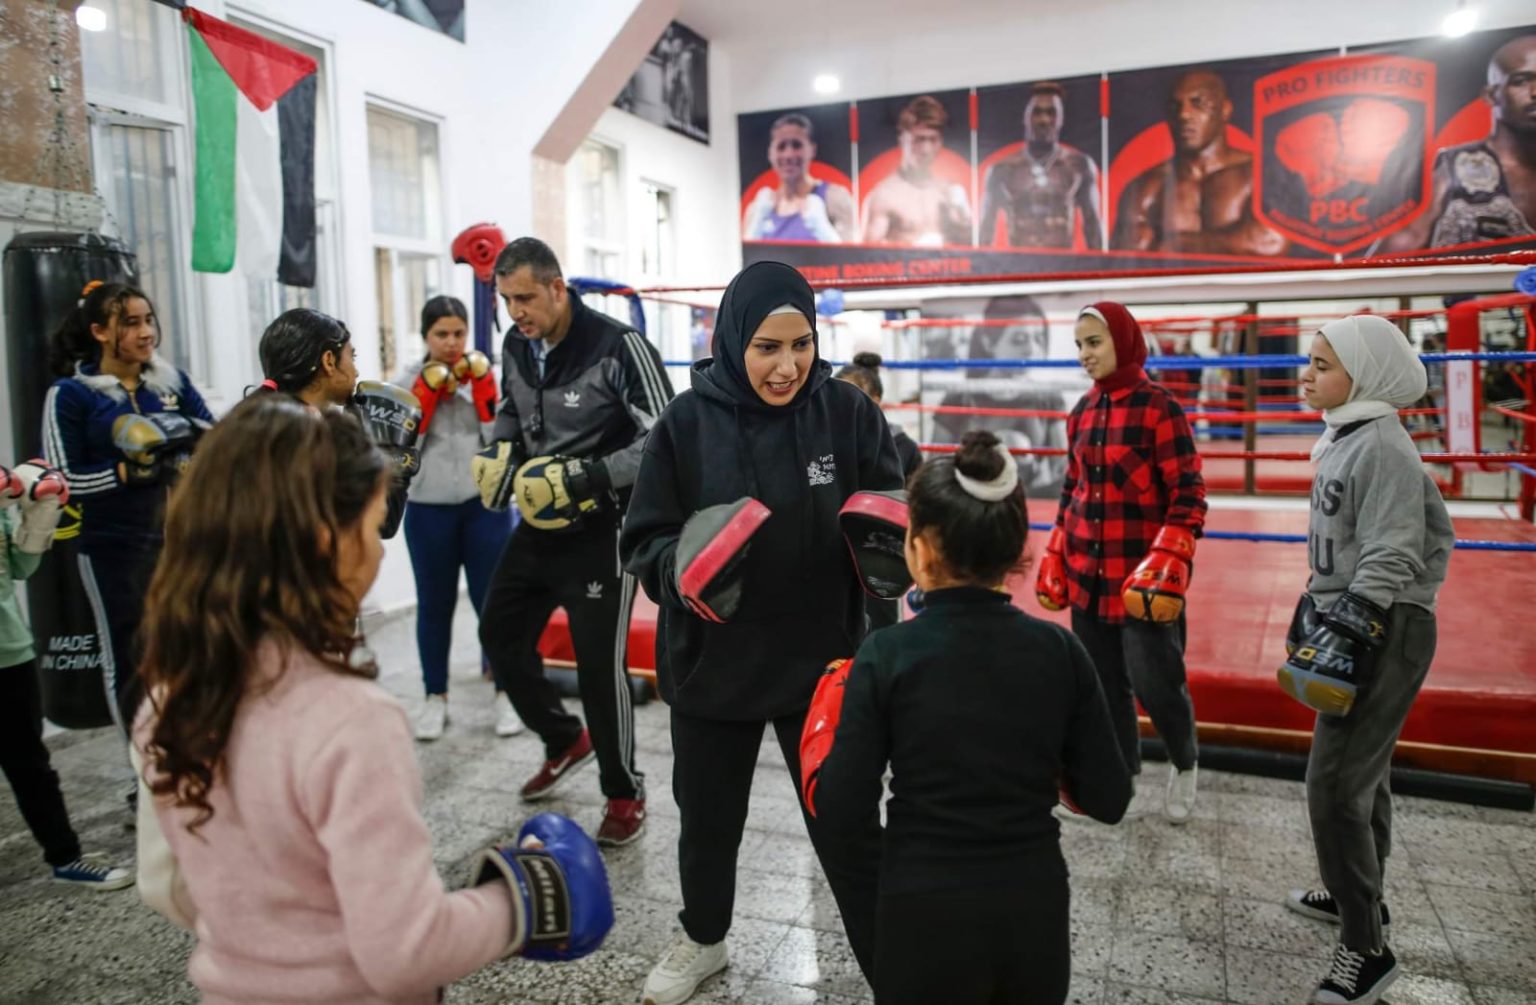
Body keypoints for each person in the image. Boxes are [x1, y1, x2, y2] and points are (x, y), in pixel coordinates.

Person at [131, 394, 613, 1002]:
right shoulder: (348, 721)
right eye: (371, 525)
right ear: (326, 542)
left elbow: (165, 884)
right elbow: (405, 951)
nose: (379, 549)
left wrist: (268, 938)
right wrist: (528, 897)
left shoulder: (168, 696)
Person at [619, 261, 903, 1004]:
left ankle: (892, 963)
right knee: (708, 820)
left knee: (842, 819)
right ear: (734, 339)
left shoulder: (847, 412)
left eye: (801, 344)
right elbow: (641, 540)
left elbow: (897, 507)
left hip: (825, 661)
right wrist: (682, 568)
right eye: (767, 348)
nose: (787, 366)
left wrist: (891, 551)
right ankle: (704, 940)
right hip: (714, 662)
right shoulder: (686, 422)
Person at [810, 431, 1132, 1005]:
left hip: (922, 906)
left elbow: (840, 810)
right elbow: (1109, 801)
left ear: (921, 549)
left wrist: (824, 745)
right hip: (1031, 904)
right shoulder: (1061, 652)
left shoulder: (886, 656)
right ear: (1014, 549)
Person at [470, 237, 673, 848]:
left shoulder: (620, 346)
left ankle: (623, 791)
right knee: (498, 636)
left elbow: (666, 437)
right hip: (537, 527)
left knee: (597, 667)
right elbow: (510, 406)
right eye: (507, 300)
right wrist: (502, 451)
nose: (516, 312)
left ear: (559, 288)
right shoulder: (515, 343)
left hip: (602, 531)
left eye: (526, 297)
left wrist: (589, 473)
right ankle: (564, 740)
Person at [1276, 315, 1452, 1005]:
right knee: (1364, 778)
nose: (1307, 373)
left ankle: (1365, 949)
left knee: (1334, 785)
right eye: (1309, 361)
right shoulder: (1348, 436)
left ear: (1366, 375)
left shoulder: (1383, 448)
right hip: (1358, 615)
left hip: (1387, 627)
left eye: (1323, 364)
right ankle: (1360, 899)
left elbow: (1397, 547)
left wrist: (1352, 623)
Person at [1036, 302, 1208, 823]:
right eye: (1080, 345)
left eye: (1095, 343)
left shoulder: (1160, 408)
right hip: (1089, 574)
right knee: (1103, 687)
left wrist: (1170, 551)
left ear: (1124, 342)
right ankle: (1118, 783)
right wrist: (1056, 546)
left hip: (1144, 579)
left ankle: (1185, 763)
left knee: (1158, 683)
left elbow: (1189, 492)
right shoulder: (1081, 412)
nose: (1085, 355)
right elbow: (1073, 489)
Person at [41, 280, 213, 737]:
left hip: (176, 544)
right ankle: (144, 773)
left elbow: (214, 443)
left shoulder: (170, 383)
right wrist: (122, 474)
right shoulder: (73, 394)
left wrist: (187, 452)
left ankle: (189, 763)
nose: (146, 333)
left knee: (186, 654)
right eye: (131, 323)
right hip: (111, 548)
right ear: (99, 331)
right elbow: (60, 481)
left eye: (148, 320)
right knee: (132, 661)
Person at [1, 459, 133, 890]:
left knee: (30, 763)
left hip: (10, 648)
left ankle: (66, 857)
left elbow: (19, 569)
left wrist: (40, 517)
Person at [395, 295, 519, 742]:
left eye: (458, 333)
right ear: (425, 336)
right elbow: (402, 451)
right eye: (441, 334)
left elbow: (498, 440)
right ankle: (435, 699)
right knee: (434, 604)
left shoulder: (486, 376)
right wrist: (424, 397)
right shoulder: (405, 381)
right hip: (428, 509)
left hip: (482, 506)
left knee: (494, 604)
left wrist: (485, 392)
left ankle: (507, 693)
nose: (451, 343)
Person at [257, 307, 421, 540]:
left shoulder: (254, 421)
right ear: (329, 361)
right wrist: (392, 464)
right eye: (351, 358)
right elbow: (379, 524)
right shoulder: (313, 437)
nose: (356, 371)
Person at [1373, 35, 1536, 253]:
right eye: (1521, 81)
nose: (1535, 92)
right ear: (1490, 95)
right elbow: (1403, 242)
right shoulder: (1455, 169)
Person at [1113, 70, 1288, 256]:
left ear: (1225, 110)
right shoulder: (1146, 187)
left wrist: (1172, 242)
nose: (1184, 114)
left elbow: (1270, 242)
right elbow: (1126, 257)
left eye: (1198, 103)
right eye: (1175, 106)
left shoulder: (1262, 174)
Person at [980, 81, 1104, 250]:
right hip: (1018, 266)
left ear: (1060, 119)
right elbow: (985, 232)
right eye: (1037, 113)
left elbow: (1093, 227)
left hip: (1064, 266)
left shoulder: (1077, 165)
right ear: (1026, 117)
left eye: (1051, 113)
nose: (1044, 120)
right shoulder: (1002, 169)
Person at [861, 95, 973, 247]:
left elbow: (971, 252)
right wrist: (912, 252)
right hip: (903, 269)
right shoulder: (884, 195)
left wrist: (964, 218)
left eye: (933, 140)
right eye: (919, 139)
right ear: (902, 139)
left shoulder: (948, 191)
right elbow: (866, 259)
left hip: (943, 269)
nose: (926, 150)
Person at [743, 113, 857, 242]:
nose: (789, 154)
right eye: (781, 146)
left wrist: (823, 230)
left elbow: (851, 259)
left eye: (797, 145)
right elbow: (744, 259)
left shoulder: (834, 198)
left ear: (812, 150)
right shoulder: (757, 209)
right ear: (770, 153)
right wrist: (758, 221)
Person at [835, 352, 922, 480]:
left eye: (850, 399)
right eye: (835, 397)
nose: (840, 406)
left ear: (874, 401)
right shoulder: (824, 441)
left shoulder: (905, 448)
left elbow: (914, 496)